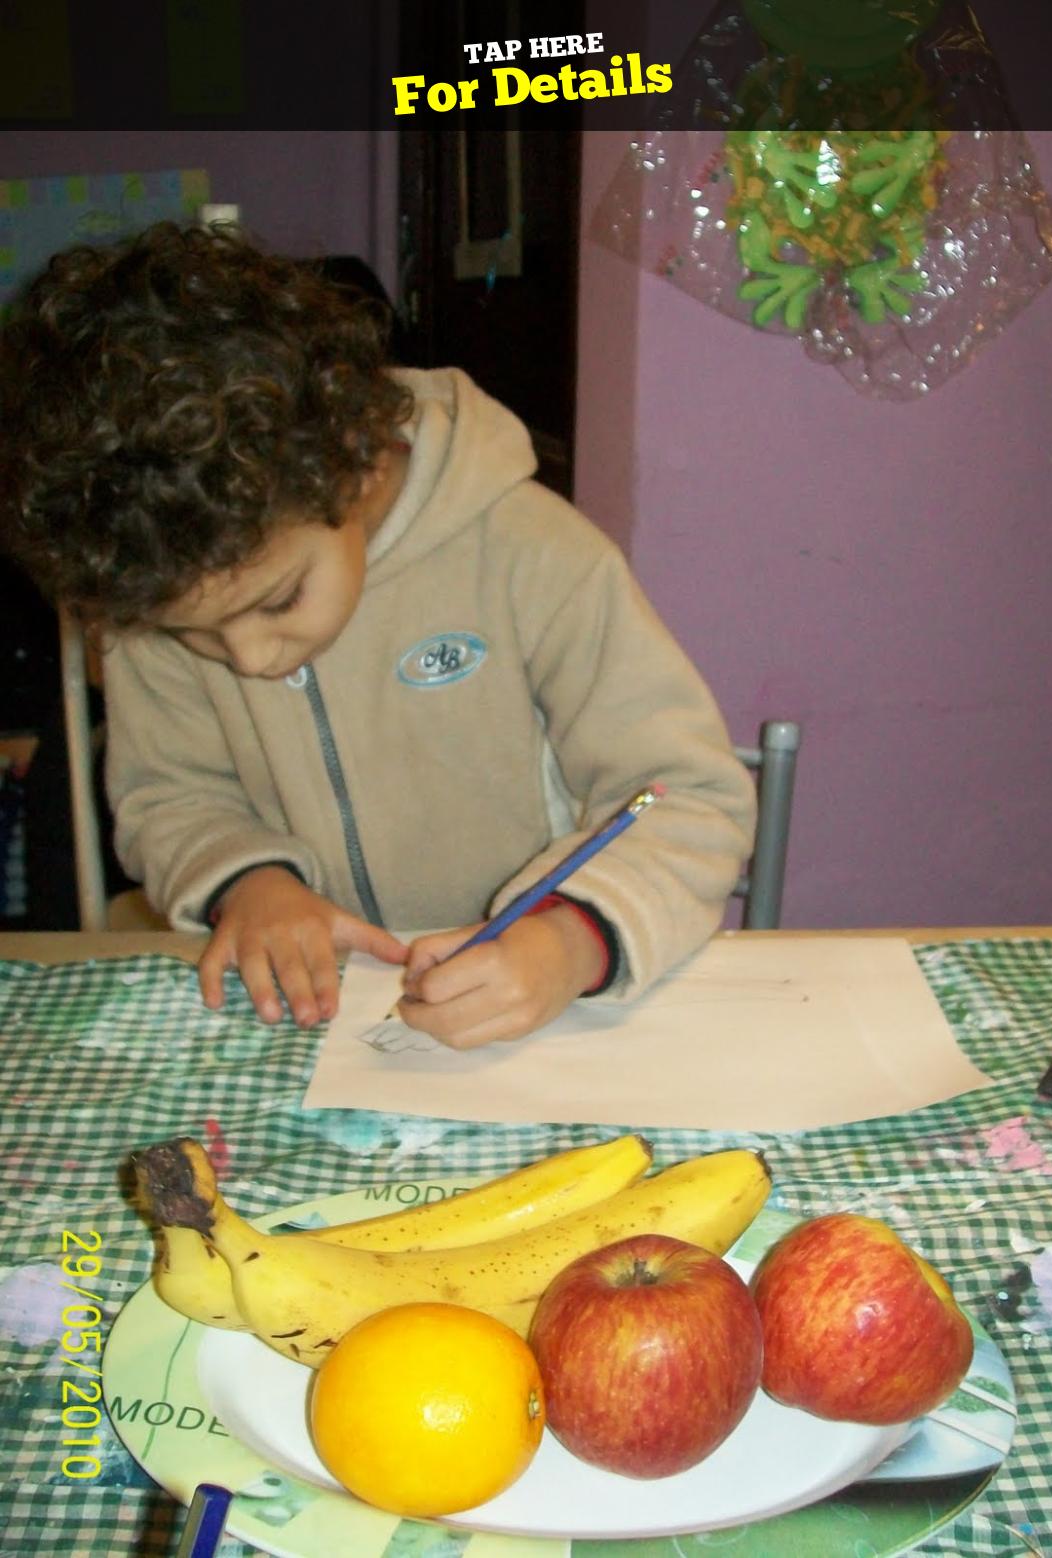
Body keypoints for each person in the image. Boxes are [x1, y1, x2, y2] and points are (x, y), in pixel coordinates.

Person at [0, 222, 756, 1048]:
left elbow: (684, 799)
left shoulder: (533, 553)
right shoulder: (161, 585)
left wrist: (571, 939)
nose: (250, 658)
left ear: (353, 465)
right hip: (309, 1021)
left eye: (281, 599)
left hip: (555, 1011)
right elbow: (172, 795)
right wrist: (249, 884)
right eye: (201, 638)